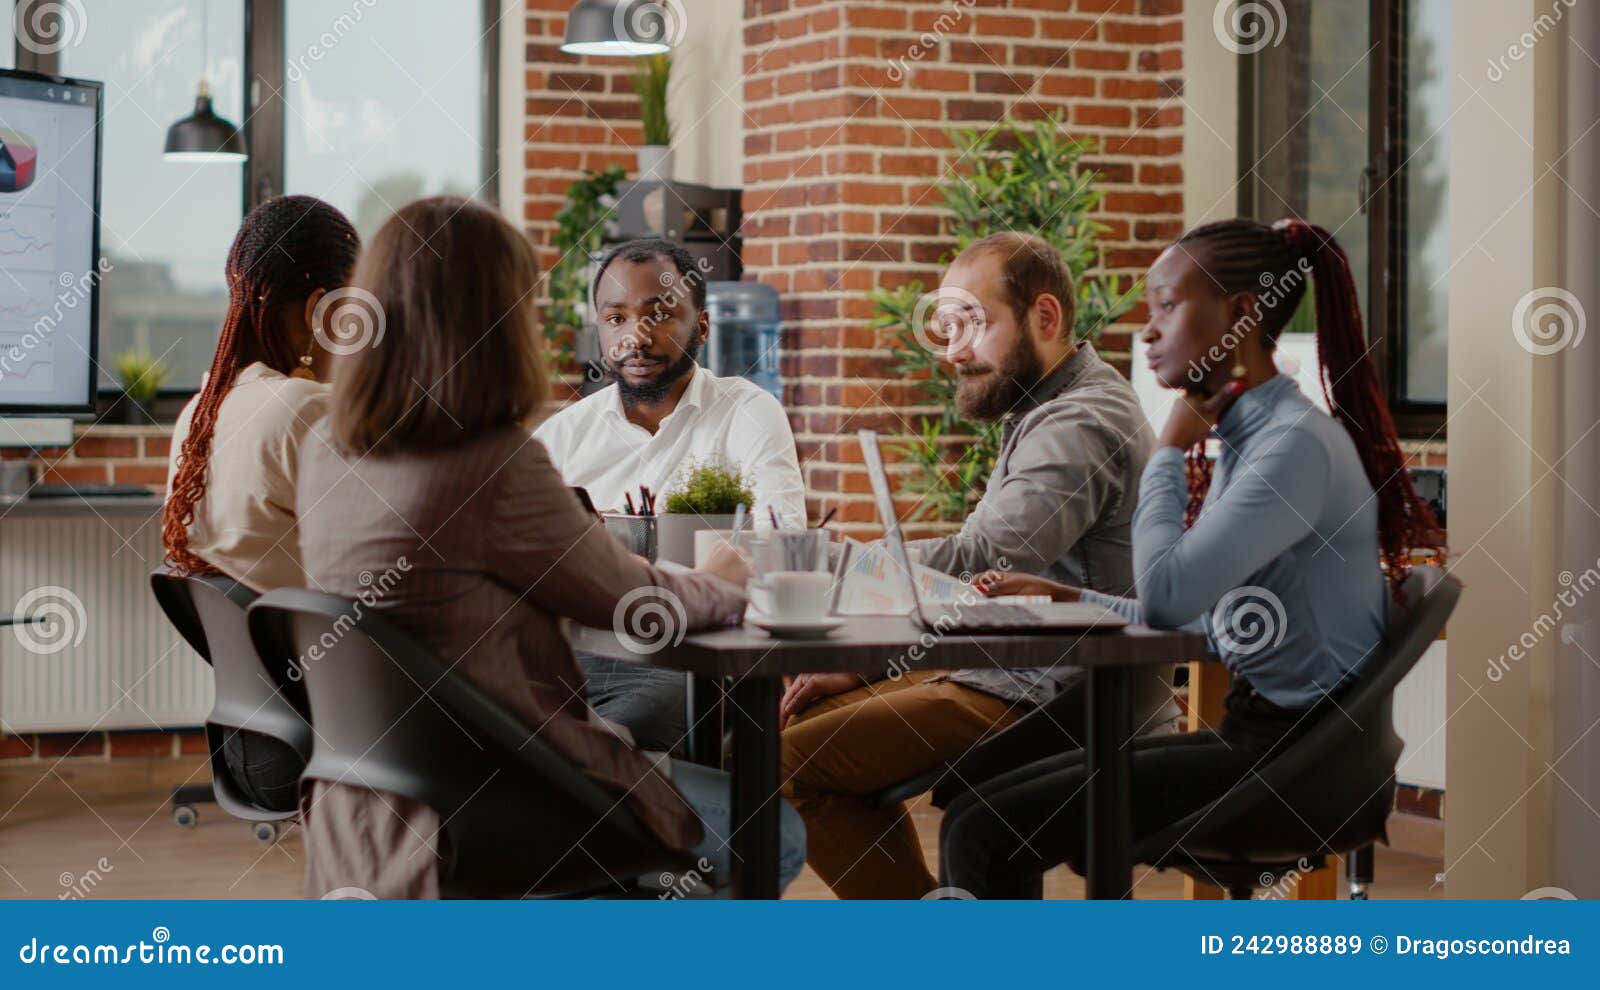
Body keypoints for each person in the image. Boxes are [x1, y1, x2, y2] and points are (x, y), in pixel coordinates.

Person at [295, 197, 805, 899]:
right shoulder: (492, 462)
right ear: (493, 320)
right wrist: (721, 574)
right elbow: (640, 600)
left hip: (368, 799)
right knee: (770, 835)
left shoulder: (327, 450)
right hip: (491, 794)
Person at [939, 218, 1441, 897]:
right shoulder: (1260, 435)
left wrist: (1170, 452)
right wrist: (1073, 598)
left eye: (1168, 307)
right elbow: (1224, 622)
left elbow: (1173, 599)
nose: (1148, 331)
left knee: (982, 828)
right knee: (978, 794)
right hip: (1275, 744)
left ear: (1240, 315)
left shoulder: (1288, 447)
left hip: (1291, 767)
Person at [777, 232, 1169, 899]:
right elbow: (982, 578)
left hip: (1063, 695)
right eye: (949, 329)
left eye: (973, 325)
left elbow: (986, 558)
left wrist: (820, 564)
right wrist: (868, 660)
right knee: (780, 726)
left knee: (782, 765)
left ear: (1044, 319)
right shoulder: (1047, 408)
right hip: (1009, 669)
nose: (955, 350)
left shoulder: (1081, 422)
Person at [536, 237, 806, 753]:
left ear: (700, 326)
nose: (635, 337)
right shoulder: (562, 436)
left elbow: (780, 542)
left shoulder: (746, 411)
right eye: (615, 319)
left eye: (659, 315)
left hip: (694, 658)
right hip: (574, 655)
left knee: (613, 745)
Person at [161, 194, 359, 813]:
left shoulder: (198, 414)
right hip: (345, 731)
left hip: (257, 738)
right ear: (318, 309)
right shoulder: (304, 410)